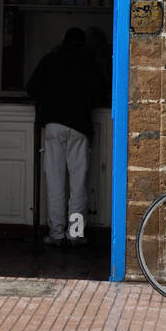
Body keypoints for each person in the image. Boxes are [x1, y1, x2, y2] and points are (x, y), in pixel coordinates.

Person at [26, 27, 100, 248]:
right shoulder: (88, 63)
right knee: (78, 184)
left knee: (55, 182)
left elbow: (31, 88)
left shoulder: (50, 59)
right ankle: (75, 234)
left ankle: (56, 234)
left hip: (53, 125)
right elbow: (99, 93)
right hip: (79, 126)